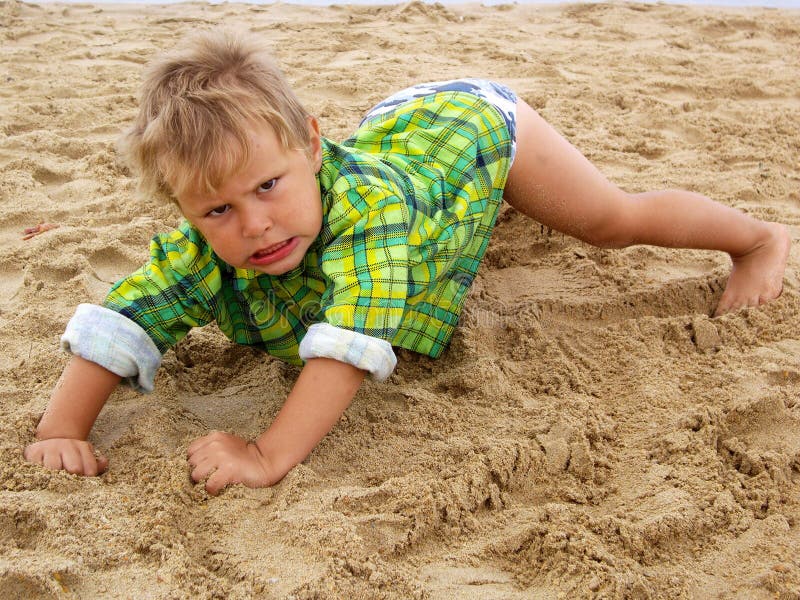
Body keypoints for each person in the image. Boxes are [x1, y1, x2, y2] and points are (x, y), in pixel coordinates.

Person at [23, 29, 790, 495]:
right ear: (184, 210)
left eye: (269, 188)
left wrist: (264, 453)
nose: (255, 226)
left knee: (609, 220)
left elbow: (349, 343)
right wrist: (63, 429)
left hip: (469, 132)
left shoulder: (369, 218)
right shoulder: (205, 241)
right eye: (218, 209)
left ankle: (756, 237)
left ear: (312, 147)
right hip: (399, 135)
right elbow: (130, 316)